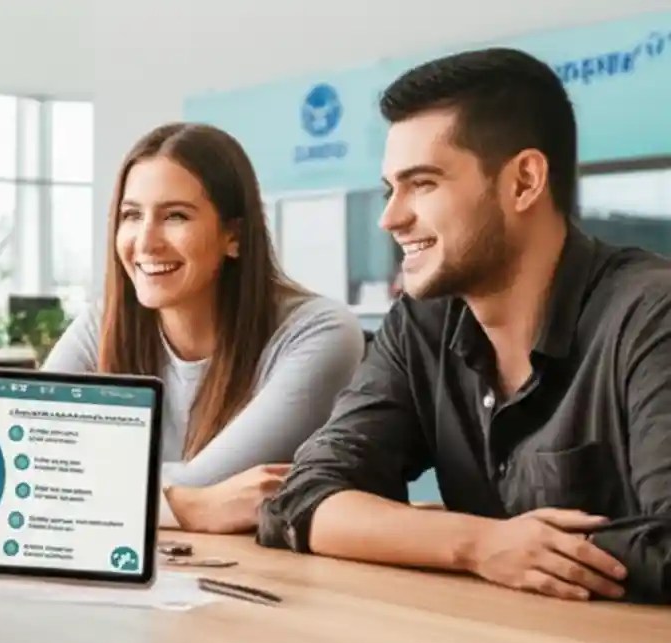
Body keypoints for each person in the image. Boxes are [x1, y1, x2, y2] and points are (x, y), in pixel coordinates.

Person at [258, 47, 671, 605]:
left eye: (422, 183)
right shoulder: (422, 324)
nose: (390, 217)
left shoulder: (650, 314)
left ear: (524, 181)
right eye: (390, 188)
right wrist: (478, 543)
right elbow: (301, 499)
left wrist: (420, 534)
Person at [43, 123, 364, 533]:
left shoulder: (321, 332)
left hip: (273, 581)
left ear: (235, 236)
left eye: (175, 216)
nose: (146, 241)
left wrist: (77, 489)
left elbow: (210, 482)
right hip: (159, 569)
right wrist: (191, 507)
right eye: (132, 215)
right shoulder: (104, 322)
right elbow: (32, 464)